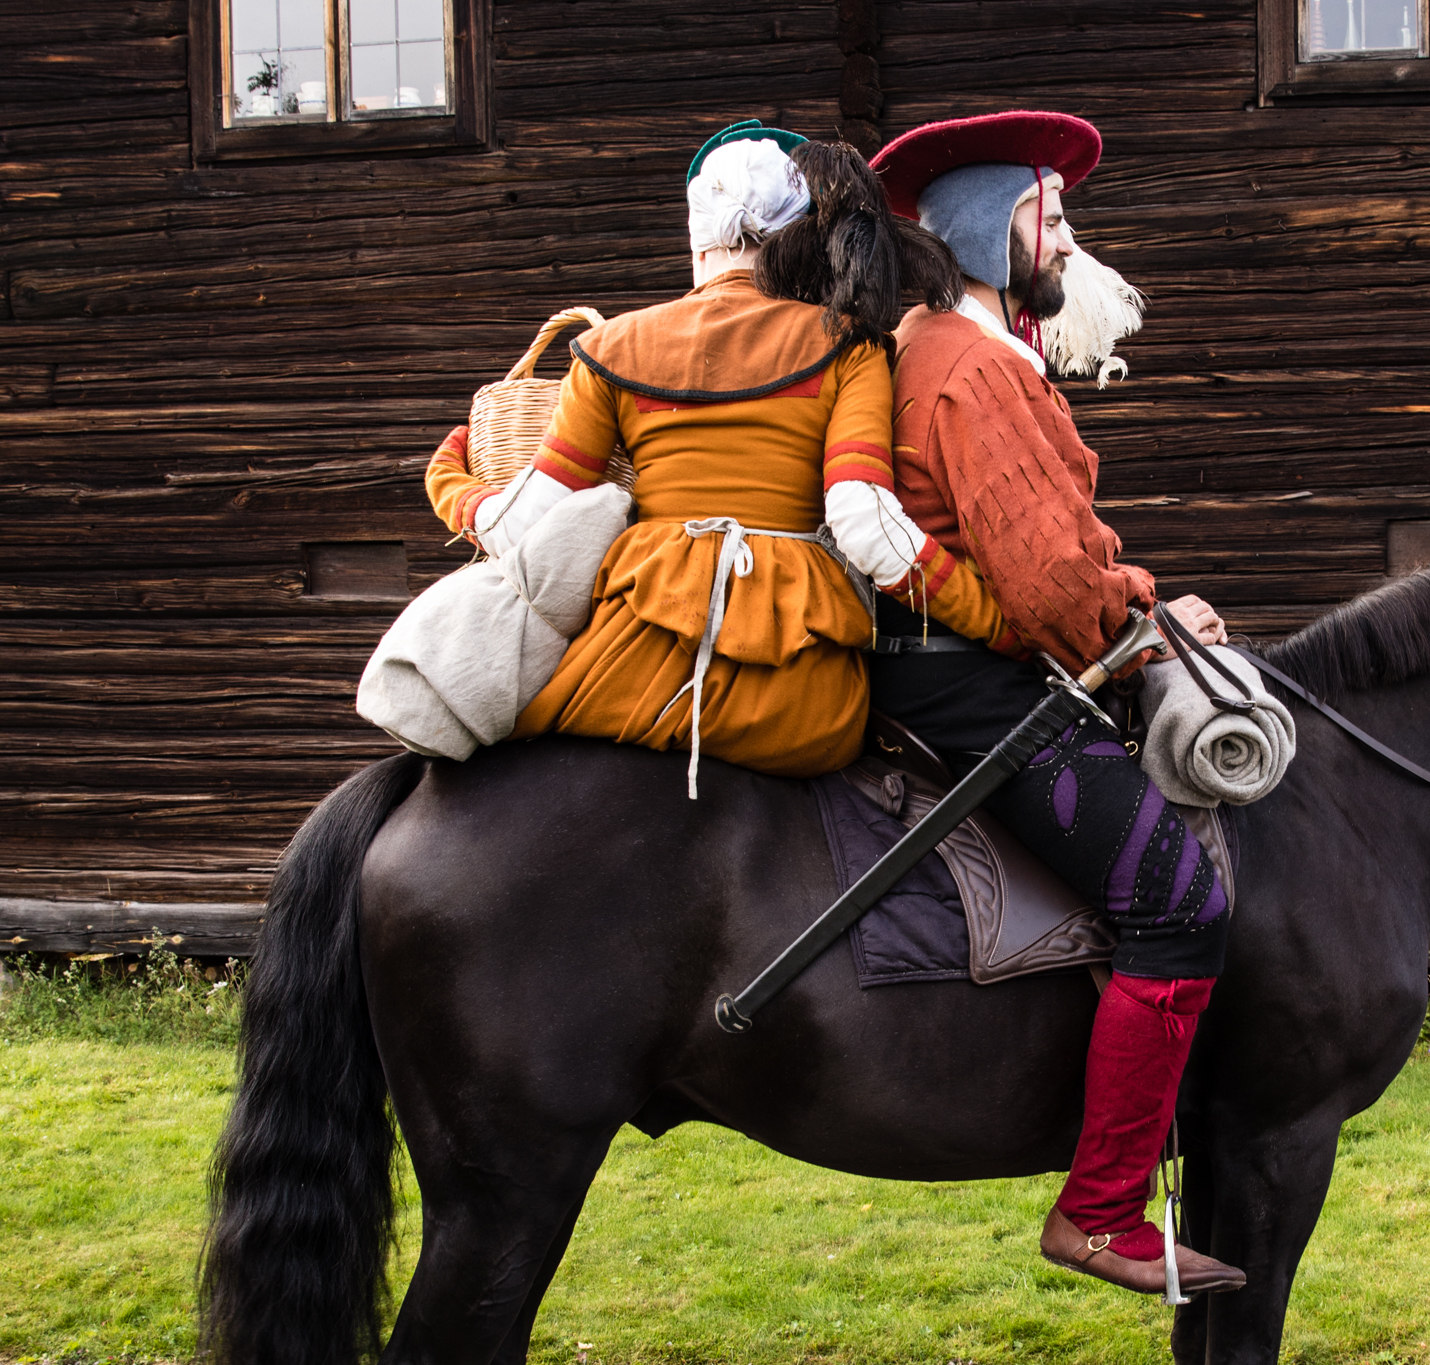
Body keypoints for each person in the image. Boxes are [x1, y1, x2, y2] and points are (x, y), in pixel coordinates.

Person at [869, 111, 1246, 1296]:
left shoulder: (923, 348)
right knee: (1178, 903)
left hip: (943, 667)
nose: (1070, 245)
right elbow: (1044, 584)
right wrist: (1148, 621)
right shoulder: (973, 370)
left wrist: (1125, 600)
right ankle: (1098, 1215)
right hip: (975, 688)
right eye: (1053, 219)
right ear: (990, 232)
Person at [422, 122, 1025, 793]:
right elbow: (863, 522)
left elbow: (519, 528)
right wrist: (998, 624)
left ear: (695, 242)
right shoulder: (850, 345)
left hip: (632, 666)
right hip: (796, 687)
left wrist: (449, 480)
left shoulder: (611, 349)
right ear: (799, 238)